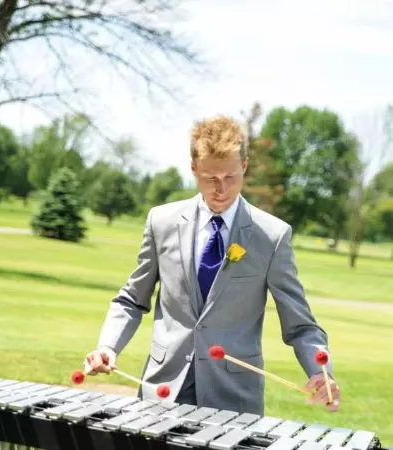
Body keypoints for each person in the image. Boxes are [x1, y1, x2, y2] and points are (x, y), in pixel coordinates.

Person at [85, 115, 340, 415]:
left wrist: (322, 373)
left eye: (230, 177)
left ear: (244, 166)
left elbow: (302, 326)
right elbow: (131, 299)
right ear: (193, 169)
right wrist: (107, 346)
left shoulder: (272, 236)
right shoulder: (161, 222)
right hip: (161, 392)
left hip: (234, 399)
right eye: (210, 178)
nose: (221, 188)